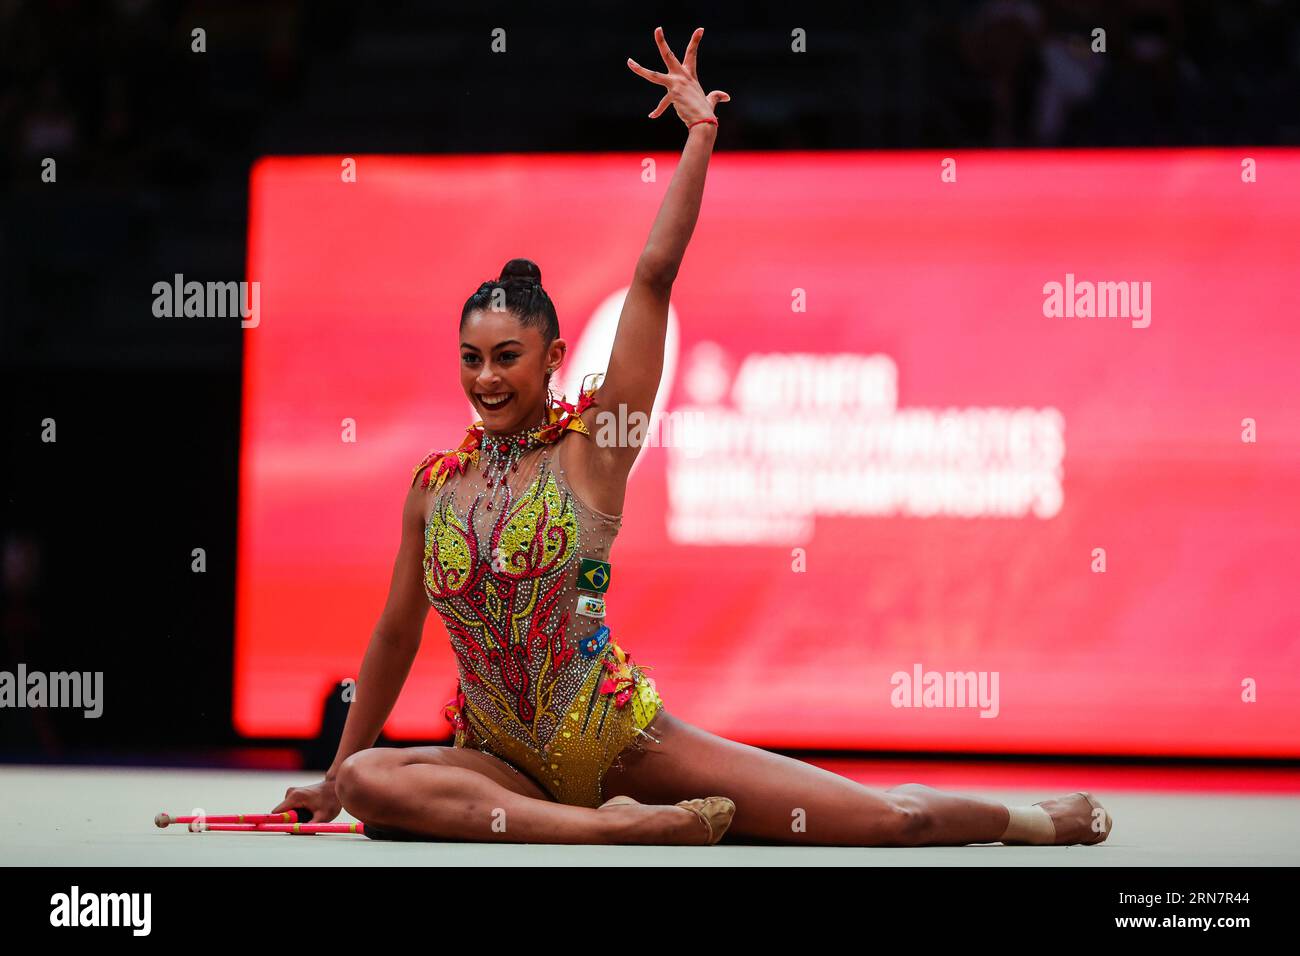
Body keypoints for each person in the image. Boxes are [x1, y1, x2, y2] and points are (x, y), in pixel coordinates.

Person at [272, 26, 1113, 848]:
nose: (486, 378)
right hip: (498, 768)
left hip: (624, 742)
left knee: (893, 822)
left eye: (506, 358)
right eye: (470, 358)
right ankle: (603, 835)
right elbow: (394, 634)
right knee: (368, 784)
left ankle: (1036, 821)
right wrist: (334, 777)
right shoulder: (433, 486)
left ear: (554, 357)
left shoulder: (595, 448)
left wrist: (699, 136)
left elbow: (653, 275)